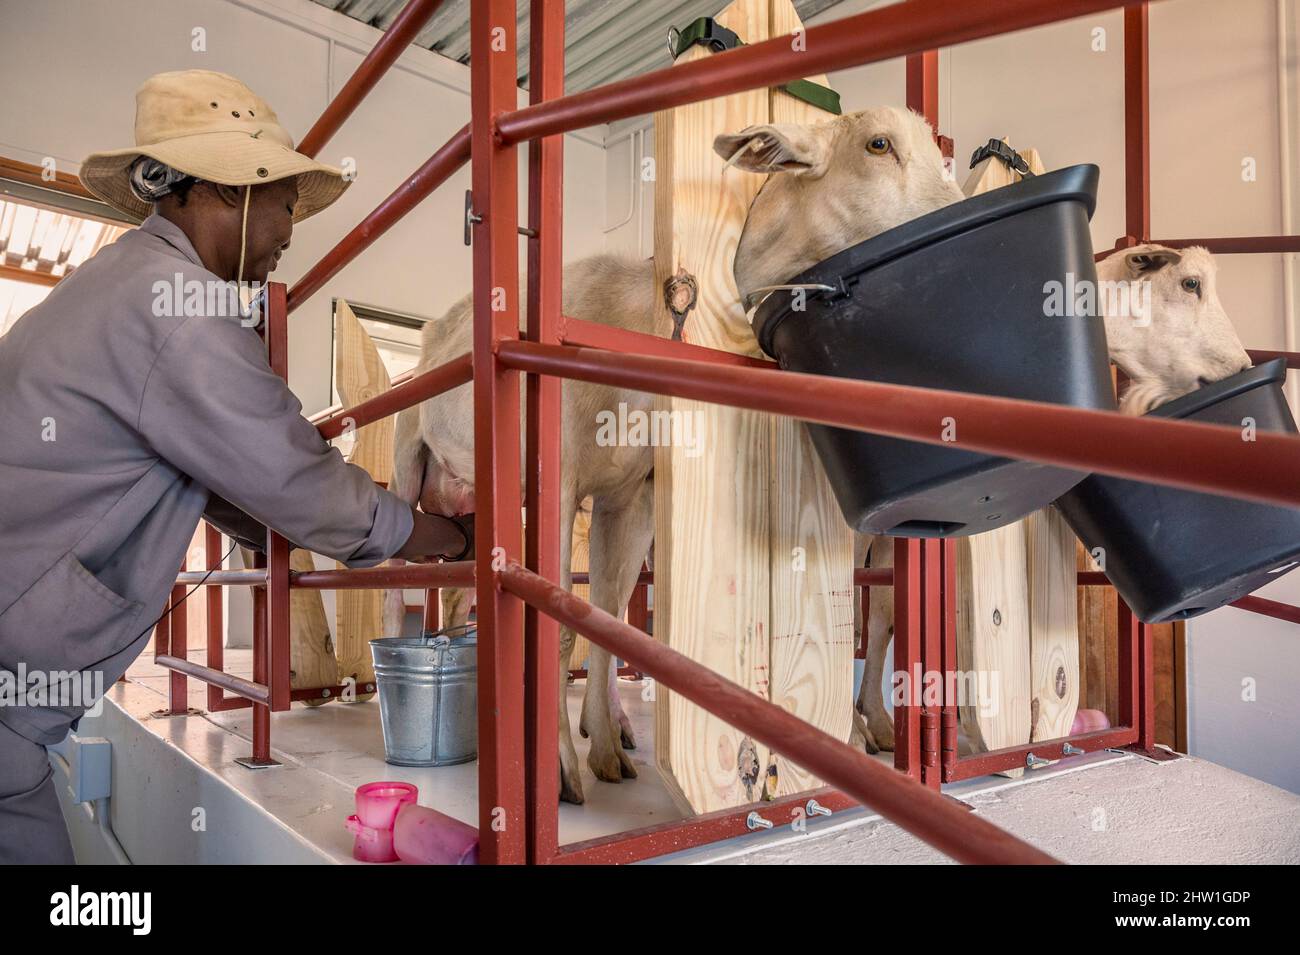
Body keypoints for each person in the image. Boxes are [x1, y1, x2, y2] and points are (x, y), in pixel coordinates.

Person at [0, 70, 470, 863]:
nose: (291, 229)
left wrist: (325, 525)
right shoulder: (177, 309)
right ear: (228, 188)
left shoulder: (127, 287)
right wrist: (446, 539)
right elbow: (300, 478)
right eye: (285, 201)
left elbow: (228, 482)